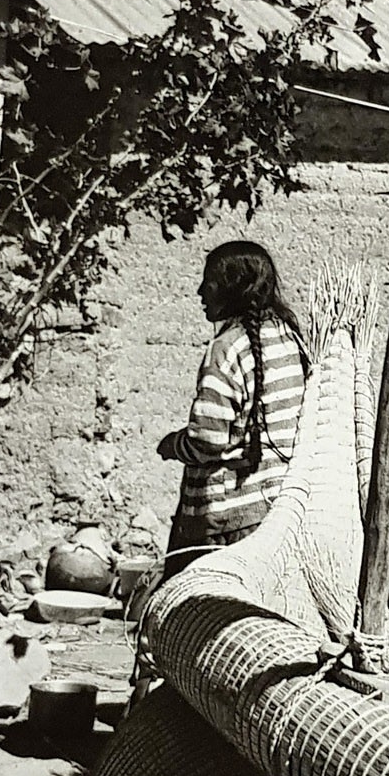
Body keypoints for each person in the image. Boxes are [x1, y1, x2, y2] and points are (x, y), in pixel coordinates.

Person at [156, 239, 309, 575]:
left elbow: (208, 440)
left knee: (195, 603)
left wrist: (172, 445)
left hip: (222, 519)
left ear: (232, 287)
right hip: (273, 509)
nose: (200, 292)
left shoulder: (226, 349)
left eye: (208, 282)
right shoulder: (289, 338)